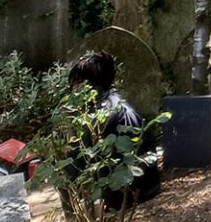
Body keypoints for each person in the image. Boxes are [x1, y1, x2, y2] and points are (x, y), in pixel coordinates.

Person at [66, 51, 161, 206]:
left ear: (91, 85)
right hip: (138, 189)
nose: (74, 90)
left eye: (77, 84)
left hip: (127, 195)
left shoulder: (107, 113)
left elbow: (100, 165)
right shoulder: (109, 106)